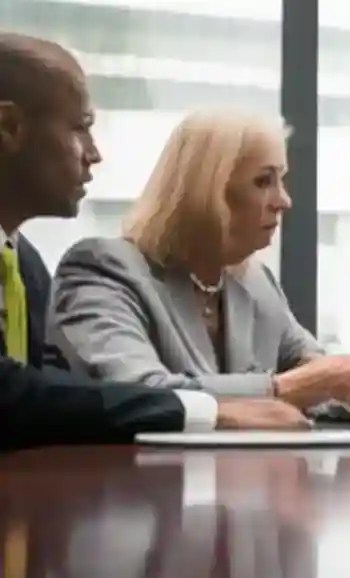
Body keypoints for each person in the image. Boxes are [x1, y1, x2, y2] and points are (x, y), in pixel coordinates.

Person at [0, 31, 306, 449]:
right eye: (81, 128)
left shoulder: (26, 266)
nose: (94, 153)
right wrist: (221, 408)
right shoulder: (103, 269)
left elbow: (54, 395)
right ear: (9, 127)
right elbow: (21, 395)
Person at [48, 109, 350, 421]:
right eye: (263, 181)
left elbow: (313, 373)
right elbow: (139, 395)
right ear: (207, 191)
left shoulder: (255, 281)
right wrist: (283, 389)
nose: (284, 201)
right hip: (132, 472)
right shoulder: (103, 270)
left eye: (282, 180)